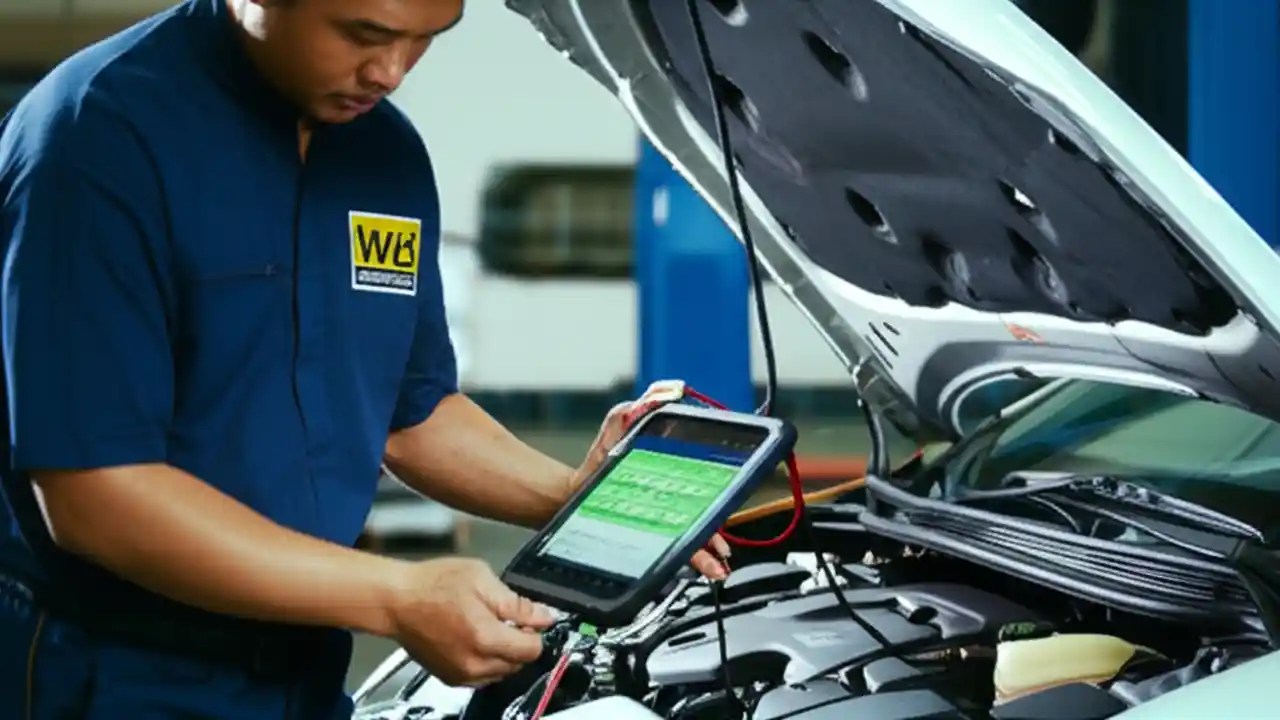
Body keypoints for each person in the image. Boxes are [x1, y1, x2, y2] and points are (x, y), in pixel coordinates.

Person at [0, 1, 730, 717]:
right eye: (365, 34)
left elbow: (409, 411)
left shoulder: (386, 157)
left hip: (301, 666)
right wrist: (396, 596)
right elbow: (94, 498)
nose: (391, 71)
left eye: (426, 39)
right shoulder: (97, 137)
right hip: (107, 669)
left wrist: (582, 496)